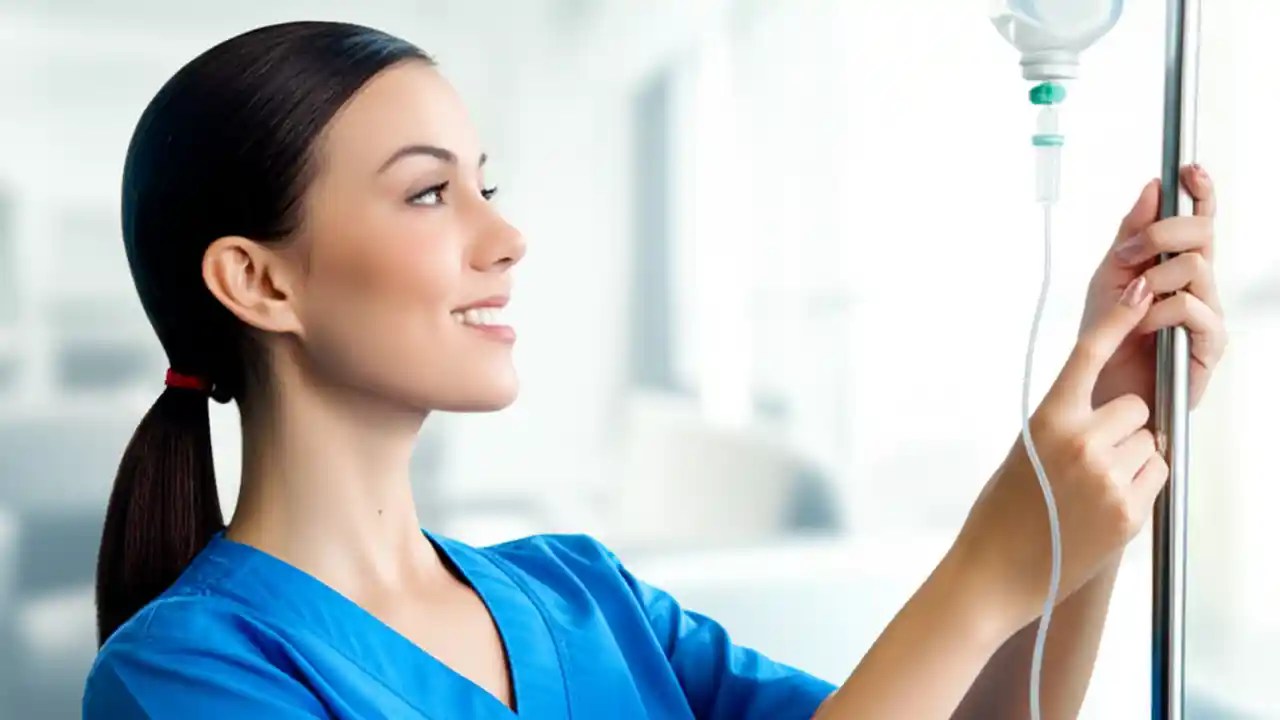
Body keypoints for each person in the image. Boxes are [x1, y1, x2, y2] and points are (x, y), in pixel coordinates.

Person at [82, 21, 1228, 720]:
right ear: (259, 282)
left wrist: (1099, 464)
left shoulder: (583, 595)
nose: (506, 238)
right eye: (431, 193)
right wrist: (982, 570)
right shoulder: (186, 679)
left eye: (490, 184)